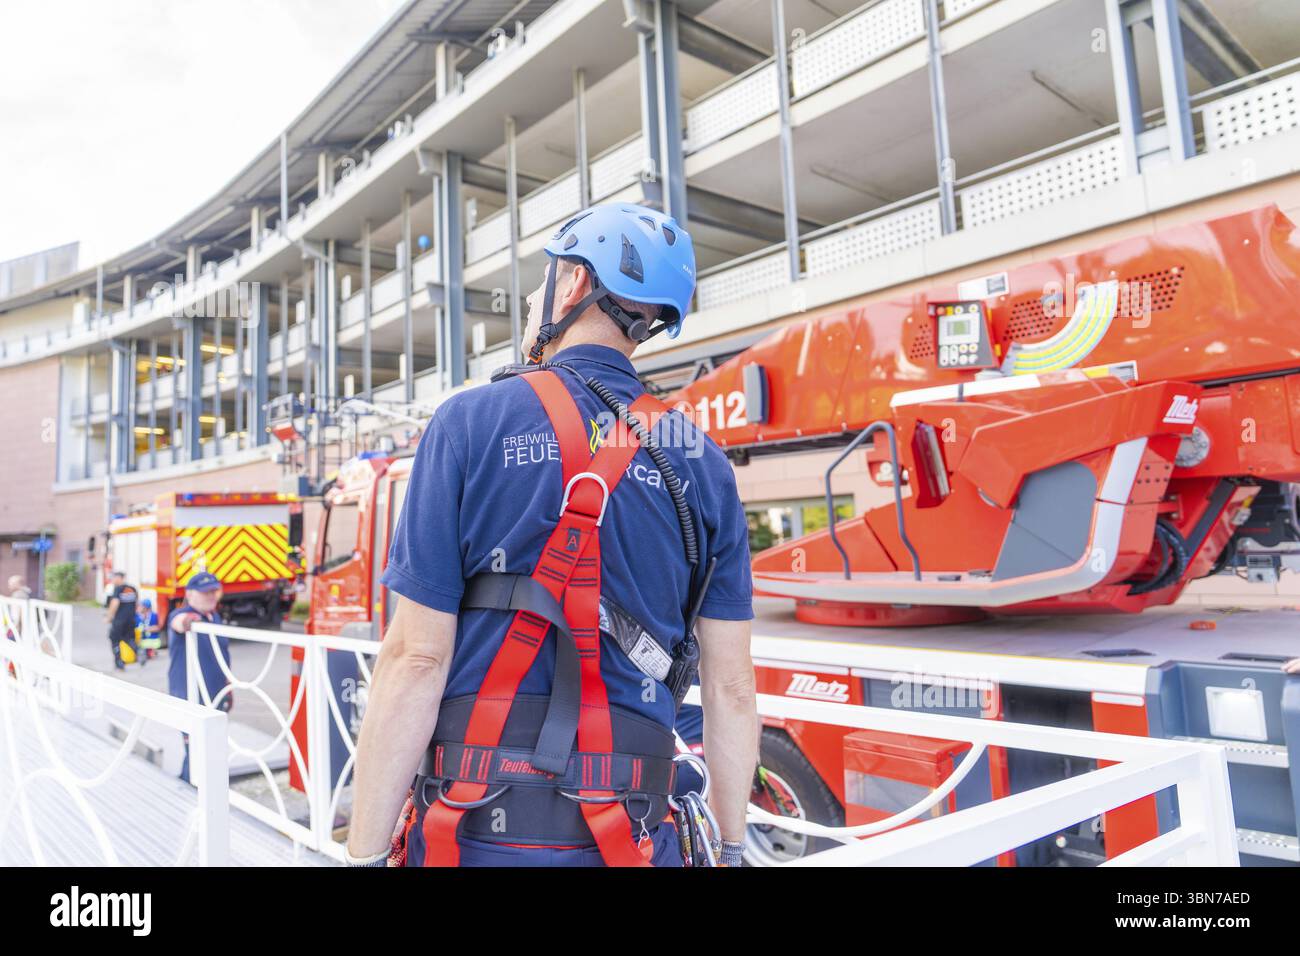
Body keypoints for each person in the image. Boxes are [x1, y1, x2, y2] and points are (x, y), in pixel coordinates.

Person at [347, 204, 758, 867]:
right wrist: (733, 847)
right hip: (633, 836)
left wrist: (364, 857)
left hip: (473, 832)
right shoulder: (701, 460)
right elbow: (732, 688)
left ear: (571, 283)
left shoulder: (467, 424)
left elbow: (413, 661)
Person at [166, 572, 232, 782]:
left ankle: (199, 790)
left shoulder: (215, 617)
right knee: (195, 749)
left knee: (211, 748)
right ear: (190, 594)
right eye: (205, 593)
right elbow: (179, 622)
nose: (211, 596)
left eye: (214, 591)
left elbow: (222, 654)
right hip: (188, 692)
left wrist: (228, 687)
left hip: (215, 691)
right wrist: (188, 621)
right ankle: (189, 791)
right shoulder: (184, 613)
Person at [104, 571, 139, 670]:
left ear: (120, 578)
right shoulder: (132, 589)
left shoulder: (118, 589)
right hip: (131, 620)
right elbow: (136, 604)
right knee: (129, 639)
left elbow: (115, 603)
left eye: (115, 578)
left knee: (114, 639)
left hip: (119, 620)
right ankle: (138, 651)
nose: (113, 580)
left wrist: (109, 617)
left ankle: (119, 662)